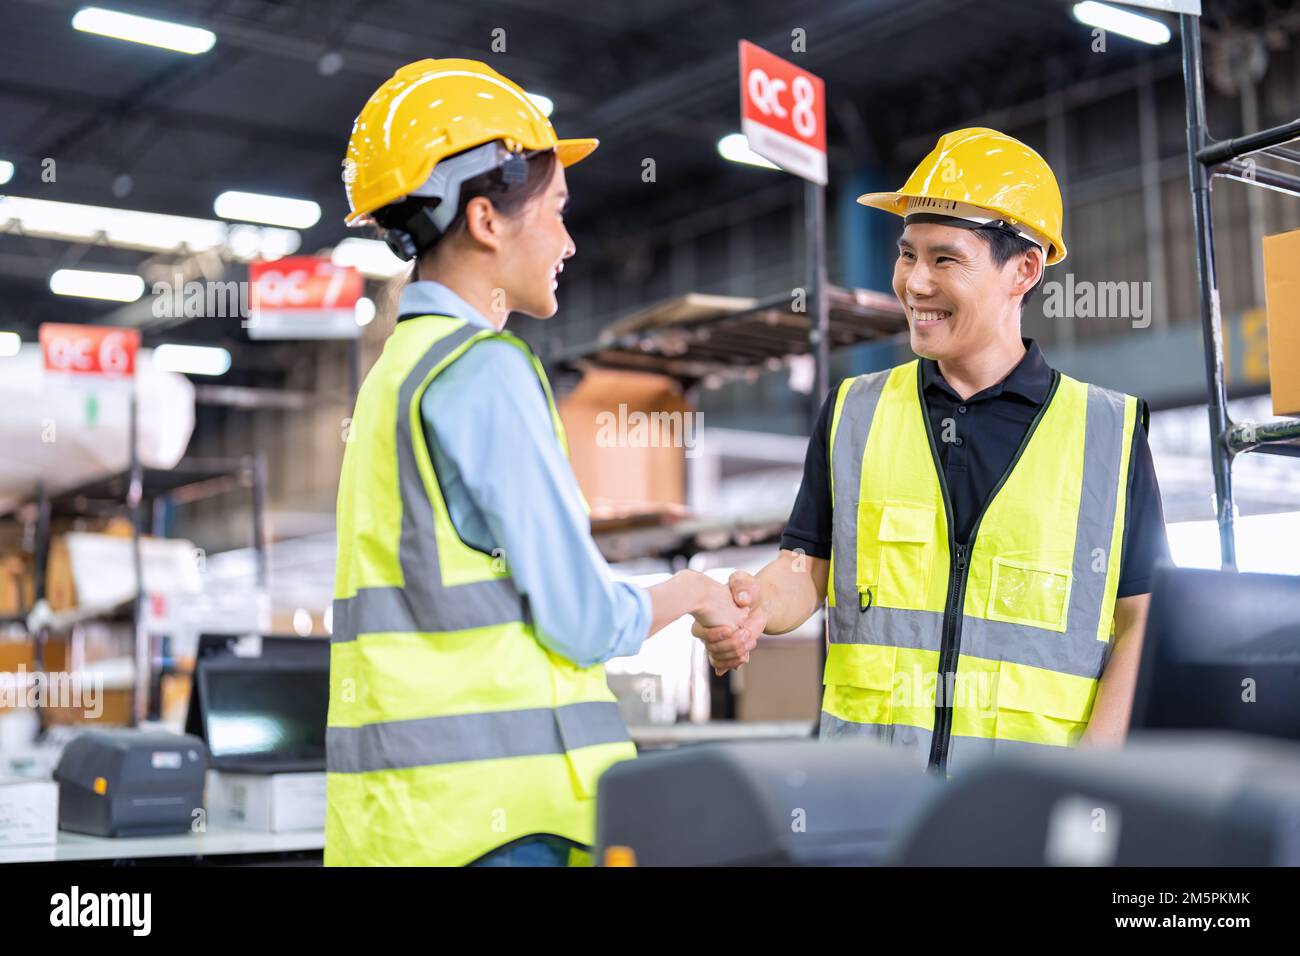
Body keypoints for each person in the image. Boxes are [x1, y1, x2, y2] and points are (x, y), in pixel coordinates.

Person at [326, 58, 752, 866]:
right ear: (486, 220)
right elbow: (582, 619)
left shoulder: (396, 376)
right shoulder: (484, 369)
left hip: (405, 824)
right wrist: (694, 590)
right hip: (507, 823)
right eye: (556, 211)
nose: (569, 239)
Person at [697, 127, 1170, 774]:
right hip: (870, 799)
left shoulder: (1108, 434)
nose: (915, 283)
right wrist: (756, 607)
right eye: (906, 254)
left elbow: (1139, 623)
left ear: (1023, 271)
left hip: (1020, 807)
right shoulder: (852, 413)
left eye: (945, 260)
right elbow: (805, 568)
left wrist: (1092, 777)